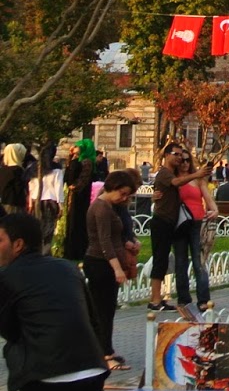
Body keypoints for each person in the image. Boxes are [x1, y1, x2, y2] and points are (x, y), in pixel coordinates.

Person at [0, 212, 112, 391]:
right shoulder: (68, 268)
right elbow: (94, 322)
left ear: (18, 245)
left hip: (44, 380)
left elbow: (8, 330)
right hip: (93, 372)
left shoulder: (6, 276)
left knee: (13, 347)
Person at [84, 170, 138, 370]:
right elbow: (104, 241)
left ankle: (106, 349)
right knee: (102, 312)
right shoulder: (101, 208)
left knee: (107, 310)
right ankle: (103, 354)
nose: (124, 198)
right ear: (112, 188)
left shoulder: (109, 207)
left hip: (106, 262)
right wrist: (117, 269)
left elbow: (114, 237)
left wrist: (128, 244)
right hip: (100, 263)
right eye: (122, 193)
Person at [149, 143, 212, 312]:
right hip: (166, 222)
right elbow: (173, 184)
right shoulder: (167, 174)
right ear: (167, 155)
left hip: (182, 222)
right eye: (176, 155)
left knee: (187, 261)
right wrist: (196, 174)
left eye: (184, 158)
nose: (181, 160)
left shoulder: (175, 175)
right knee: (165, 260)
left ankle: (161, 299)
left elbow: (165, 191)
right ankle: (157, 300)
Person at [171, 150, 214, 321]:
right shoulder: (175, 180)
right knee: (181, 261)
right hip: (180, 224)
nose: (185, 163)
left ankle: (203, 299)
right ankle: (184, 299)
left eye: (187, 160)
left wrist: (214, 209)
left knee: (199, 261)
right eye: (182, 160)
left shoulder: (198, 180)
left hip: (196, 222)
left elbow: (207, 198)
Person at [60, 140, 96, 261]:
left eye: (77, 147)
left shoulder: (87, 162)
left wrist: (73, 186)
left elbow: (80, 181)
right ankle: (69, 250)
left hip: (80, 197)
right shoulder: (77, 161)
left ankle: (76, 251)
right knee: (71, 222)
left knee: (77, 223)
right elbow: (68, 176)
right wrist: (71, 157)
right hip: (73, 196)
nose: (75, 148)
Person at [28, 154, 64, 244]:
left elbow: (31, 187)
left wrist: (30, 204)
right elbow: (58, 188)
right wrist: (61, 205)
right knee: (49, 229)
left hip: (36, 200)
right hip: (50, 201)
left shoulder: (34, 168)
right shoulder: (56, 170)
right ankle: (45, 248)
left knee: (37, 227)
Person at [0, 144, 28, 215]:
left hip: (3, 202)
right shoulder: (18, 170)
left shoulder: (2, 170)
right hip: (15, 205)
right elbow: (19, 189)